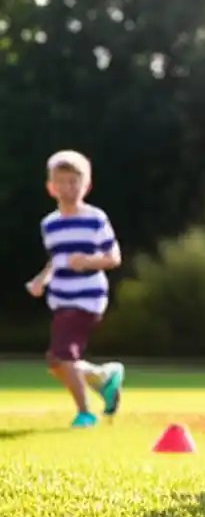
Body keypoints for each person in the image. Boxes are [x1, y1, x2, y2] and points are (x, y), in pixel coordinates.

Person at [25, 150, 125, 428]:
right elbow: (56, 260)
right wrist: (40, 280)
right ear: (51, 187)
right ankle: (102, 377)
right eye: (62, 182)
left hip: (88, 298)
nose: (69, 188)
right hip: (61, 298)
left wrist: (89, 261)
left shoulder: (96, 219)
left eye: (74, 182)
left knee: (64, 354)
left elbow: (114, 257)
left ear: (86, 186)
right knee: (56, 360)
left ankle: (85, 413)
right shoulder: (50, 224)